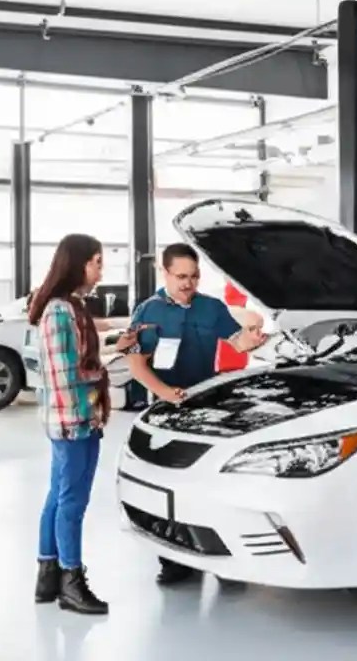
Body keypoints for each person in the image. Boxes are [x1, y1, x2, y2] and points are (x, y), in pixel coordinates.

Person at [127, 242, 269, 585]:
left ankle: (220, 557)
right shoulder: (147, 312)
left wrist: (252, 340)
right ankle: (173, 560)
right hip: (166, 409)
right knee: (168, 486)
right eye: (181, 277)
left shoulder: (211, 308)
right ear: (164, 273)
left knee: (210, 483)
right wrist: (164, 393)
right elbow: (136, 365)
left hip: (207, 406)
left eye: (193, 277)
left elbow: (236, 341)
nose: (187, 284)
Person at [28, 233, 142, 615]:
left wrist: (112, 346)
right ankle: (71, 583)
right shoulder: (61, 311)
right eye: (96, 262)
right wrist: (109, 365)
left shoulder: (67, 307)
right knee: (72, 502)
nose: (100, 271)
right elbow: (68, 372)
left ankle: (48, 577)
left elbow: (78, 355)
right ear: (77, 264)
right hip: (73, 419)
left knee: (58, 495)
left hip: (67, 417)